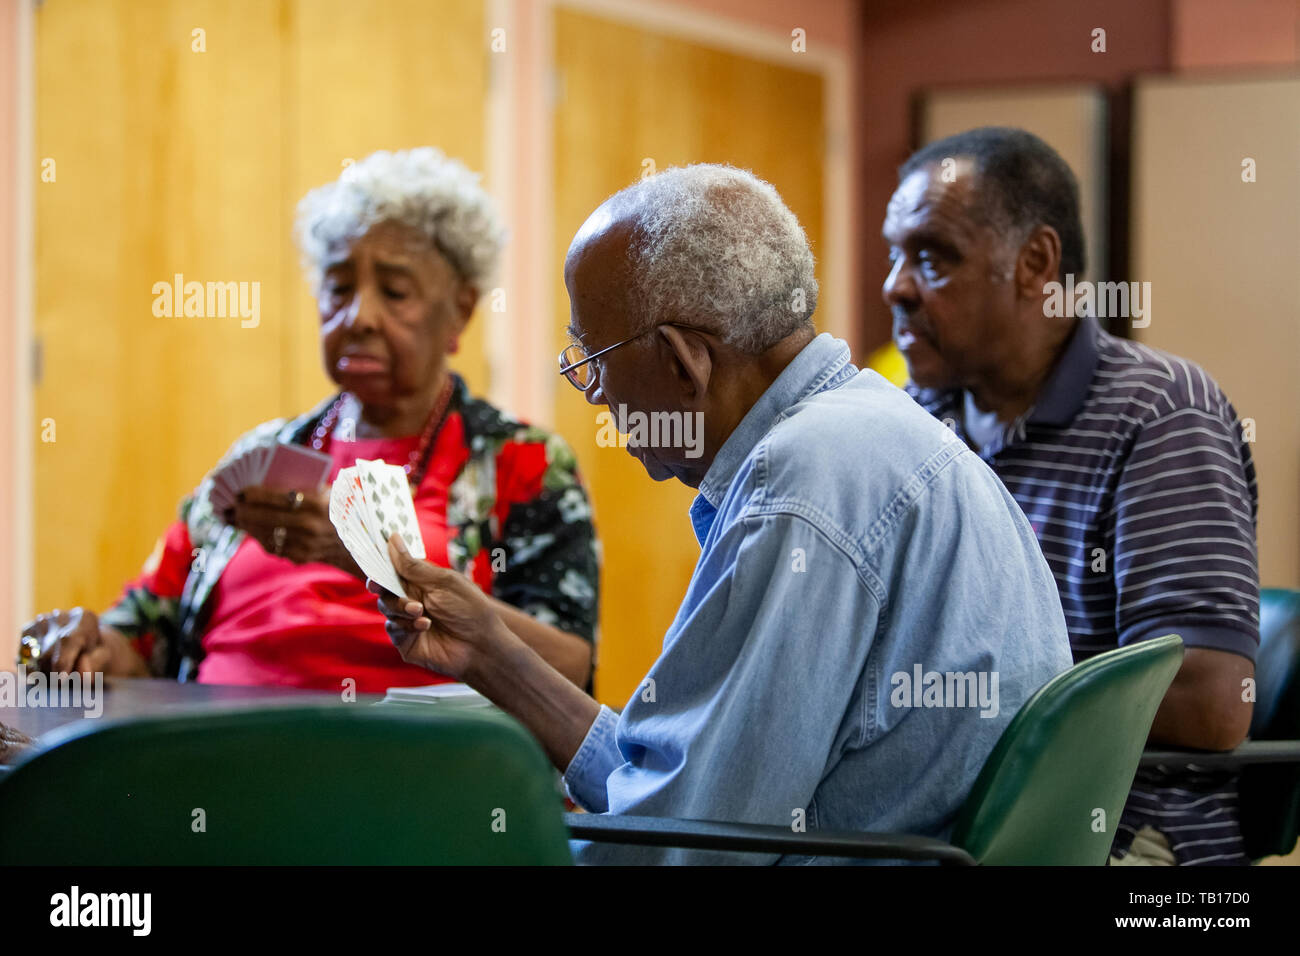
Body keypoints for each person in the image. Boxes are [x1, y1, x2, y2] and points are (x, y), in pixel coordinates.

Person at [372, 163, 1073, 864]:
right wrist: (491, 653)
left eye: (593, 357)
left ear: (685, 362)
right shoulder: (870, 430)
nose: (592, 394)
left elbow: (685, 850)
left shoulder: (803, 483)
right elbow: (688, 790)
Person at [22, 148, 599, 693]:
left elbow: (569, 668)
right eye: (339, 287)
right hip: (212, 763)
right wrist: (87, 646)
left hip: (422, 773)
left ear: (462, 310)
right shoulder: (262, 455)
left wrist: (369, 557)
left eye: (395, 292)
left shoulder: (519, 459)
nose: (360, 316)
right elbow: (144, 632)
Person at [883, 126, 1259, 865]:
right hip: (946, 823)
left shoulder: (1159, 411)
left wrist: (943, 700)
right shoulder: (917, 421)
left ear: (1035, 264)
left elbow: (1213, 704)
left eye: (932, 256)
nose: (895, 285)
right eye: (893, 255)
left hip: (1125, 835)